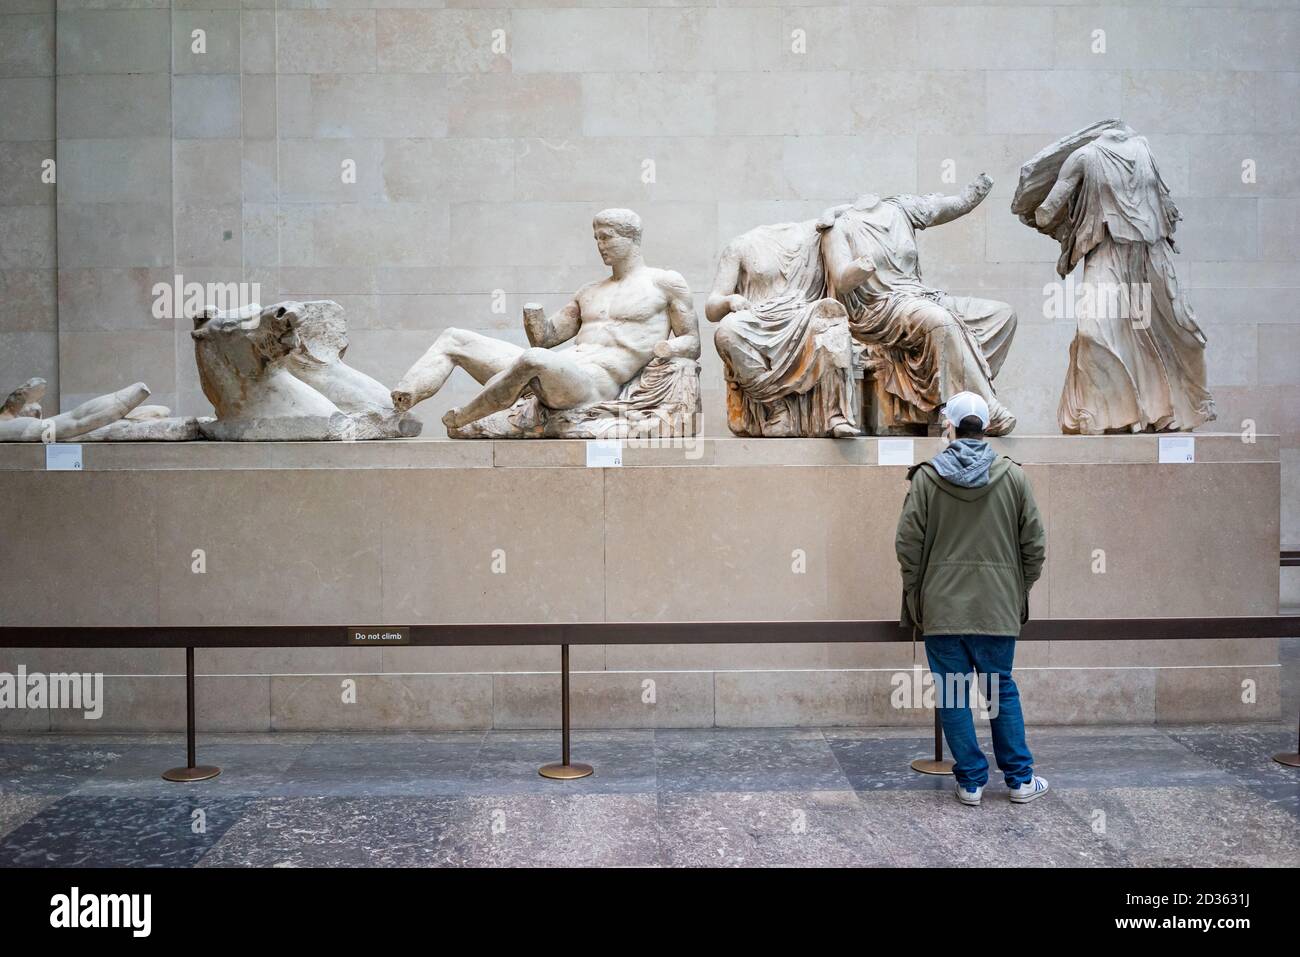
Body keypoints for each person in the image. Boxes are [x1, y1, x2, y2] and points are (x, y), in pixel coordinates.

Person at [391, 208, 700, 431]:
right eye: (596, 238)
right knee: (454, 337)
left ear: (631, 238)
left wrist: (667, 350)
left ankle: (467, 416)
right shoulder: (590, 292)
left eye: (607, 237)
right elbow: (545, 338)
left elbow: (692, 341)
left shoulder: (664, 283)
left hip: (593, 384)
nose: (600, 245)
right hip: (551, 370)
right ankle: (399, 401)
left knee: (535, 360)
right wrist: (532, 314)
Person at [894, 391, 1048, 806]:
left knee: (953, 694)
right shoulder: (1013, 476)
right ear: (987, 426)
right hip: (997, 607)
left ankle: (972, 782)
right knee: (1001, 690)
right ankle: (1019, 781)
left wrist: (918, 592)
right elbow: (1034, 545)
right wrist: (1017, 589)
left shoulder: (926, 477)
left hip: (942, 608)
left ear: (951, 427)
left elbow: (907, 545)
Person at [820, 177, 1019, 435]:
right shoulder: (838, 228)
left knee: (1002, 315)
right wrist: (861, 268)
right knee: (940, 321)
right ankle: (983, 406)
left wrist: (976, 190)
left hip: (920, 296)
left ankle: (952, 402)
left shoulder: (901, 209)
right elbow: (841, 281)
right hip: (880, 308)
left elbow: (957, 204)